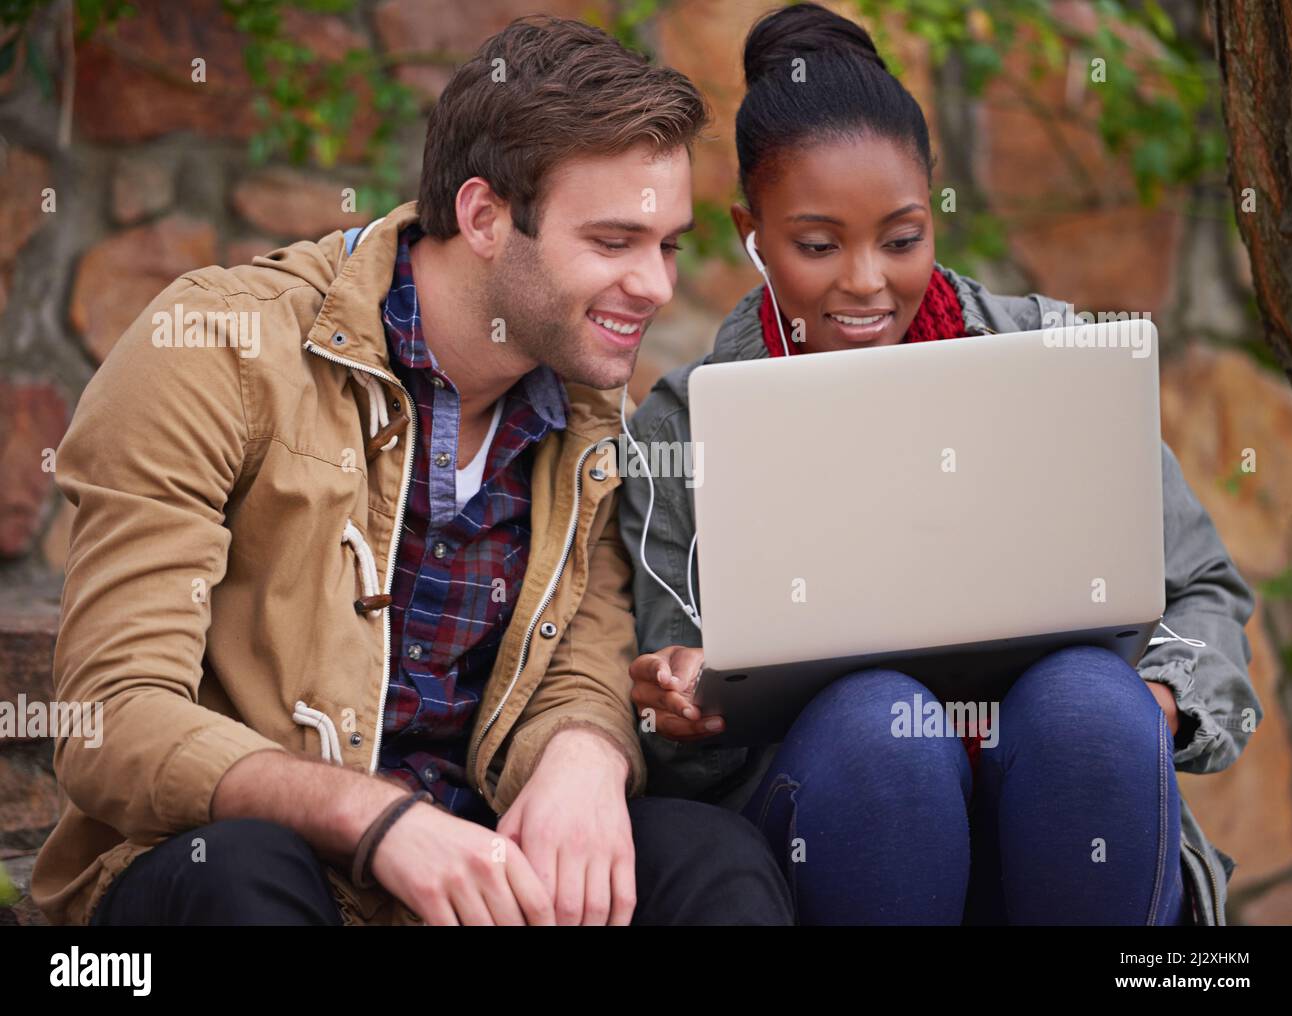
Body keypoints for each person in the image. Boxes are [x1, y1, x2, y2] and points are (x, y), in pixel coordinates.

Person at [32, 15, 792, 927]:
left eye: (666, 244)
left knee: (712, 860)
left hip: (477, 865)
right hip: (241, 863)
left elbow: (587, 647)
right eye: (613, 242)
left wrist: (587, 755)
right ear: (482, 217)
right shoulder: (218, 350)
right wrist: (375, 820)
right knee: (243, 875)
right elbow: (114, 716)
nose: (658, 287)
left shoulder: (590, 419)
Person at [619, 2, 1259, 926]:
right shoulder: (684, 425)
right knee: (882, 726)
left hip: (1055, 802)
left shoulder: (1054, 360)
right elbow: (666, 732)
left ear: (933, 211)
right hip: (845, 821)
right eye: (816, 245)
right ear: (750, 231)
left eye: (902, 237)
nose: (867, 280)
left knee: (1087, 704)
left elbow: (1203, 588)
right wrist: (685, 701)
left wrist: (1160, 698)